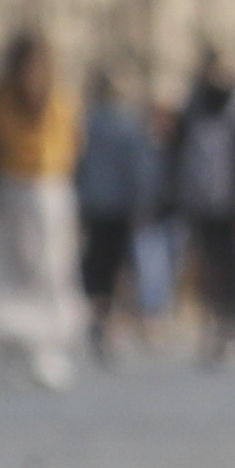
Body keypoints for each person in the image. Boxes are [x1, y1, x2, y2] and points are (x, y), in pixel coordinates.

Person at [0, 31, 88, 391]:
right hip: (9, 191)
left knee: (48, 270)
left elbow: (69, 146)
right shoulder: (0, 100)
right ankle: (21, 340)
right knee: (10, 268)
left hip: (44, 190)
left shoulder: (57, 100)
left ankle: (44, 344)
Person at [168, 53, 235, 356]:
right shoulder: (192, 111)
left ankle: (233, 325)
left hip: (232, 201)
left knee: (233, 265)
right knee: (208, 266)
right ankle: (212, 324)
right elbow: (176, 154)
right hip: (201, 201)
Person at [73, 65, 161, 356]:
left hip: (93, 204)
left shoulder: (87, 123)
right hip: (122, 206)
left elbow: (77, 165)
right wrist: (144, 200)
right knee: (123, 264)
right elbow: (140, 168)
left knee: (97, 262)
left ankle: (99, 317)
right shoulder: (128, 124)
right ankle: (123, 322)